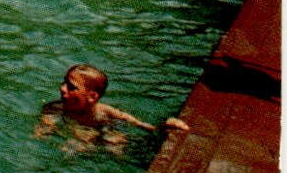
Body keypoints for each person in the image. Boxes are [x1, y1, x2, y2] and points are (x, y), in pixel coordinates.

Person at [33, 63, 188, 148]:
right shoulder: (54, 108)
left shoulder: (105, 112)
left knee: (116, 144)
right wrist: (45, 130)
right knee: (77, 142)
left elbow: (137, 124)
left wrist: (158, 129)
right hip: (84, 134)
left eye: (71, 87)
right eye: (64, 82)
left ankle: (167, 126)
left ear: (92, 97)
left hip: (106, 129)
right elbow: (45, 127)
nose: (62, 88)